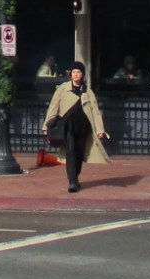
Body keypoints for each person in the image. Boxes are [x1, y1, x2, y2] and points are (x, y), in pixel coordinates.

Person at [44, 61, 109, 193]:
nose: (75, 75)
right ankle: (72, 182)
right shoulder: (62, 89)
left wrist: (100, 130)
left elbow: (95, 112)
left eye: (78, 72)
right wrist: (46, 125)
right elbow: (53, 107)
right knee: (71, 152)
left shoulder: (88, 92)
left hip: (83, 127)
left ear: (82, 75)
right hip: (68, 127)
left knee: (79, 154)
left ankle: (76, 176)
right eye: (73, 72)